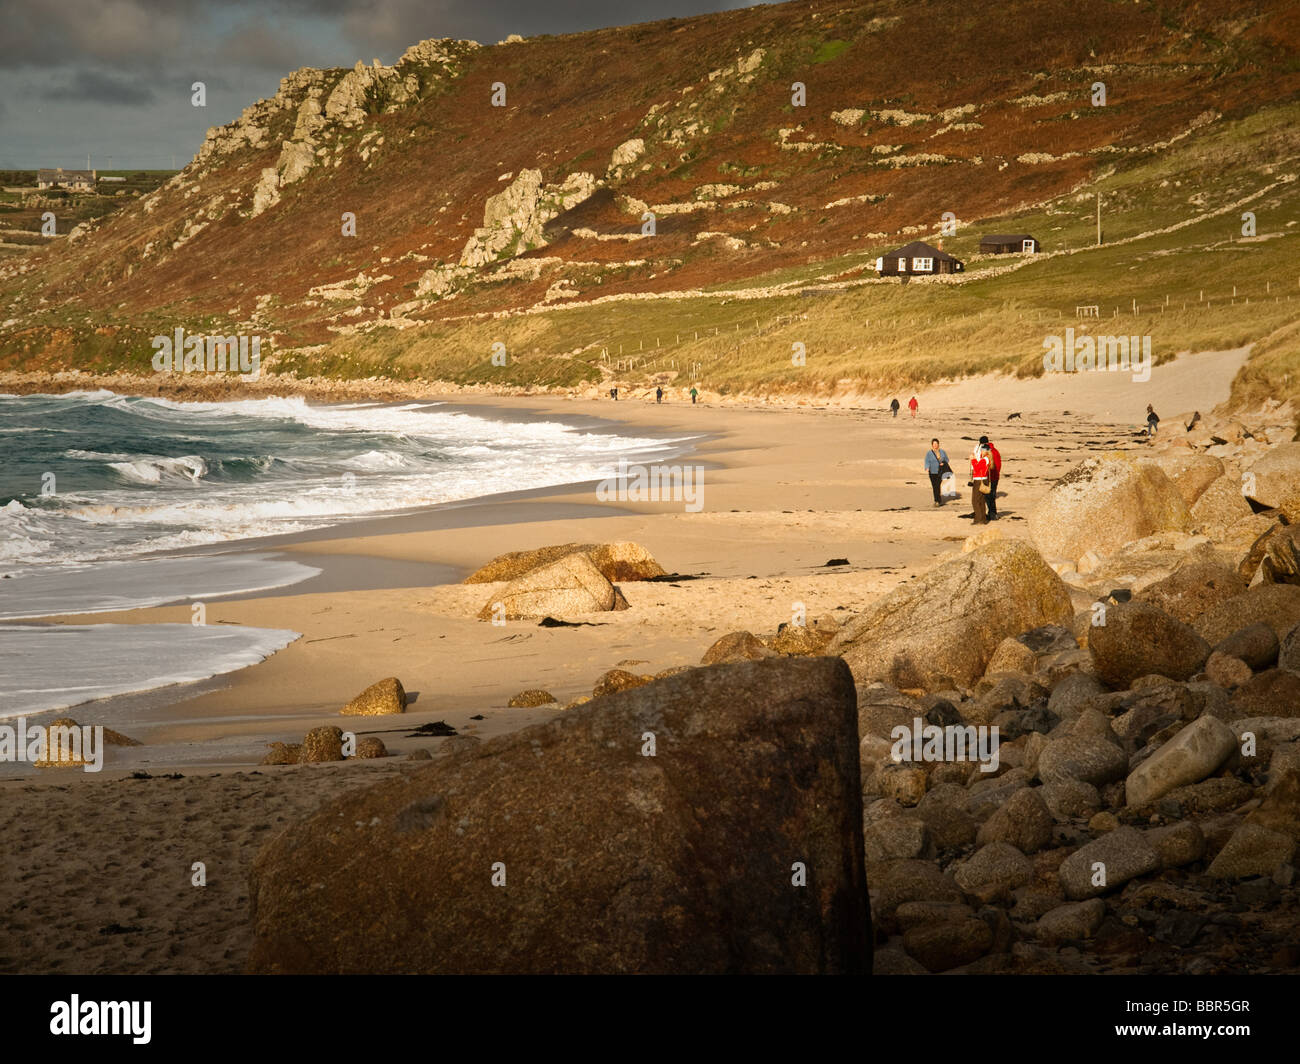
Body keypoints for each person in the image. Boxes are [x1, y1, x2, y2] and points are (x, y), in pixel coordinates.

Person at [924, 438, 949, 507]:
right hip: (932, 472)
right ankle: (937, 500)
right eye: (934, 444)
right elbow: (926, 461)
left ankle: (938, 500)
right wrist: (927, 467)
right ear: (932, 445)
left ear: (938, 444)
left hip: (940, 471)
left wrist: (943, 463)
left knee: (937, 485)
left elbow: (947, 459)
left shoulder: (942, 452)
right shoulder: (929, 453)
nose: (935, 445)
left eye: (936, 444)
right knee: (934, 486)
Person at [970, 442, 991, 525]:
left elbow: (977, 468)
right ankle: (983, 519)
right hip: (983, 480)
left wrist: (973, 459)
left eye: (982, 450)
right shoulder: (987, 458)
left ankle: (978, 519)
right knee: (981, 500)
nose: (981, 452)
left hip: (979, 480)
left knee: (975, 500)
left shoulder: (985, 459)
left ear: (985, 451)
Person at [982, 436, 1002, 519]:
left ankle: (992, 513)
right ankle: (992, 513)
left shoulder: (990, 452)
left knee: (989, 496)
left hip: (991, 477)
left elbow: (994, 466)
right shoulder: (995, 451)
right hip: (994, 477)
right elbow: (999, 465)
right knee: (990, 496)